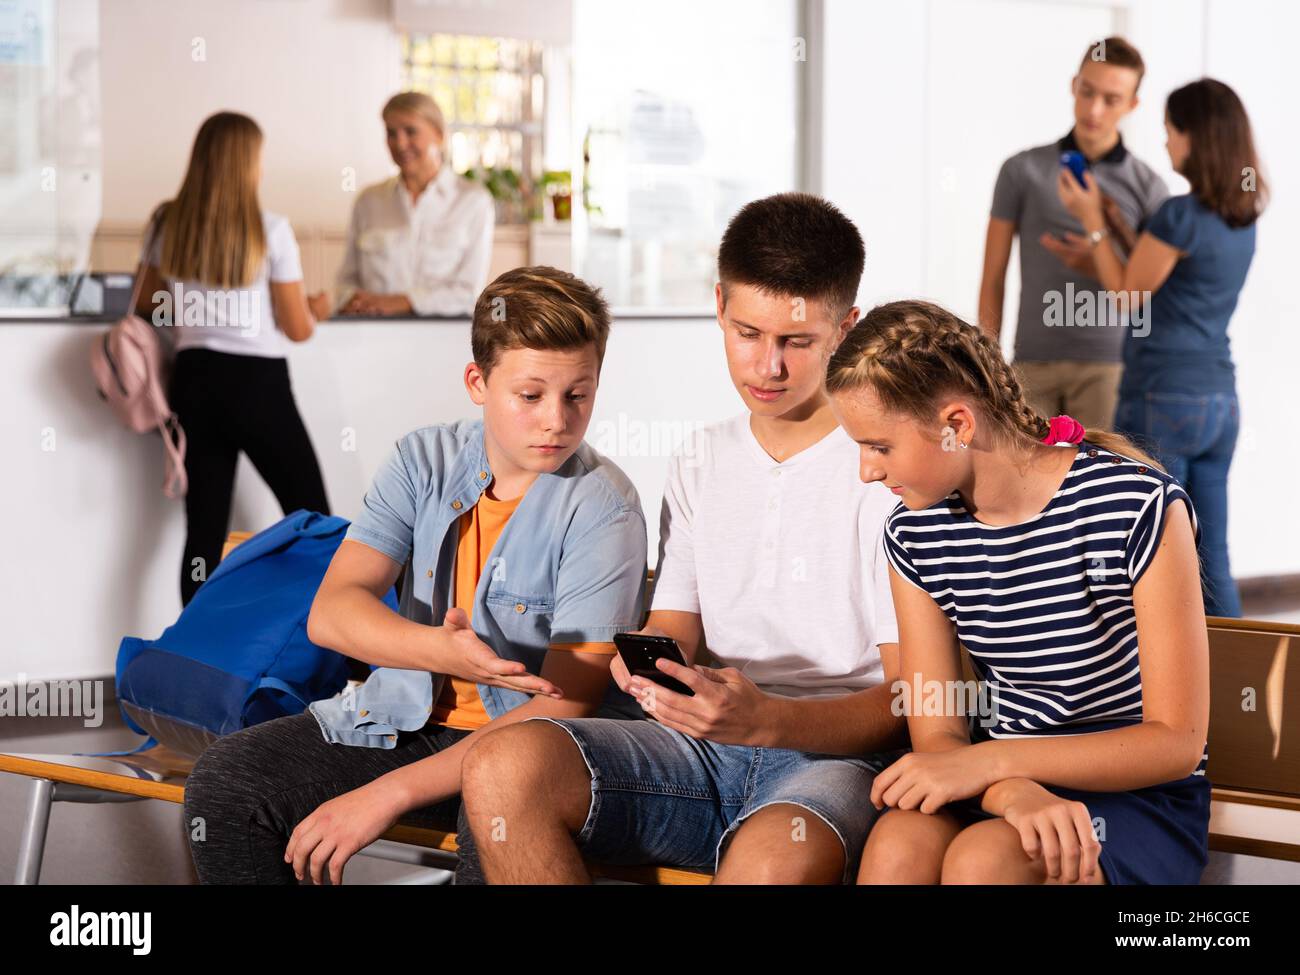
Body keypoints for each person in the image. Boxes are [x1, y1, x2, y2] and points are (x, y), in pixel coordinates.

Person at [455, 193, 907, 885]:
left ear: (845, 327)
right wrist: (647, 671)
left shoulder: (887, 466)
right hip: (699, 747)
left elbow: (906, 698)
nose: (768, 366)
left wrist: (768, 720)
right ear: (719, 305)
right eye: (748, 332)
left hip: (833, 761)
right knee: (502, 766)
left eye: (797, 341)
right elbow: (674, 626)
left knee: (768, 863)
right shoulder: (701, 457)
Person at [182, 266, 648, 884]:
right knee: (226, 787)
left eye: (578, 395)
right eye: (531, 396)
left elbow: (572, 702)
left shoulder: (604, 505)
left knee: (505, 817)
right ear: (477, 382)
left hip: (533, 750)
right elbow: (332, 614)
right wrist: (439, 650)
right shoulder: (419, 460)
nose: (556, 421)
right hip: (402, 723)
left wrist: (387, 794)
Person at [827, 300, 1210, 885]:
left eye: (879, 446)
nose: (867, 472)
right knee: (898, 845)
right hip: (998, 781)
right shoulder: (914, 531)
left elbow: (1176, 743)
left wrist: (995, 762)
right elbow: (938, 730)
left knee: (984, 862)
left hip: (1136, 794)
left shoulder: (1136, 505)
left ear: (956, 426)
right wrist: (1008, 789)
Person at [1057, 78, 1265, 619]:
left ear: (1195, 137)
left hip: (1162, 399)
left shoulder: (1179, 215)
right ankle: (1231, 688)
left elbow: (1129, 295)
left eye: (1171, 131)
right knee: (1211, 554)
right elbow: (1165, 281)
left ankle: (1153, 688)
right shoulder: (1240, 218)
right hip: (1218, 403)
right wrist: (1115, 231)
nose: (1166, 142)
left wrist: (1093, 225)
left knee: (1151, 552)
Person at [135, 111, 329, 607]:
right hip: (257, 385)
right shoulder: (272, 229)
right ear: (249, 164)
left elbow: (145, 306)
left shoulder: (166, 224)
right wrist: (319, 308)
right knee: (316, 518)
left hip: (194, 381)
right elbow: (298, 328)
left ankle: (197, 659)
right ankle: (336, 650)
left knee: (204, 531)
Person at [979, 36, 1168, 431]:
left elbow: (1148, 295)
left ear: (1132, 105)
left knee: (1099, 489)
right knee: (1025, 488)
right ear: (1073, 85)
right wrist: (987, 360)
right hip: (1030, 365)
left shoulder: (1148, 187)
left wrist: (1098, 255)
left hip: (1110, 369)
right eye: (1087, 91)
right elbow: (993, 273)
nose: (1095, 109)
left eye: (1112, 99)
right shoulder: (1021, 170)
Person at [309, 91, 494, 319]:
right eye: (391, 133)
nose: (400, 143)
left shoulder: (473, 202)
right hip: (373, 336)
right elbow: (346, 282)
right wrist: (346, 300)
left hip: (445, 340)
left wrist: (402, 302)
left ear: (439, 134)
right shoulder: (368, 201)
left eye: (410, 131)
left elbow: (469, 293)